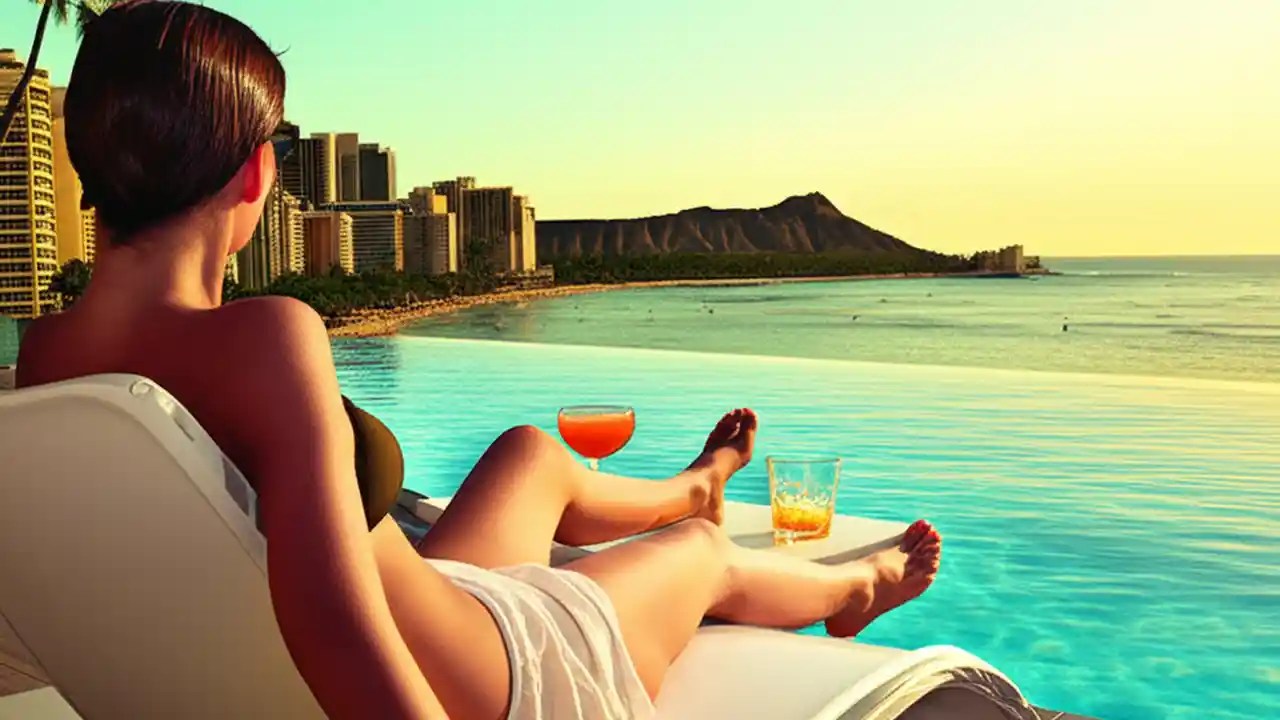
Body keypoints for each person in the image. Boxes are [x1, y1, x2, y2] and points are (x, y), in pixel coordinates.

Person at [16, 3, 942, 718]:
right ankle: (855, 587)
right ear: (256, 175)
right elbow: (331, 622)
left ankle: (696, 483)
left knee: (529, 455)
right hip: (483, 672)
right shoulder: (266, 340)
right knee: (702, 559)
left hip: (431, 602)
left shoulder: (48, 361)